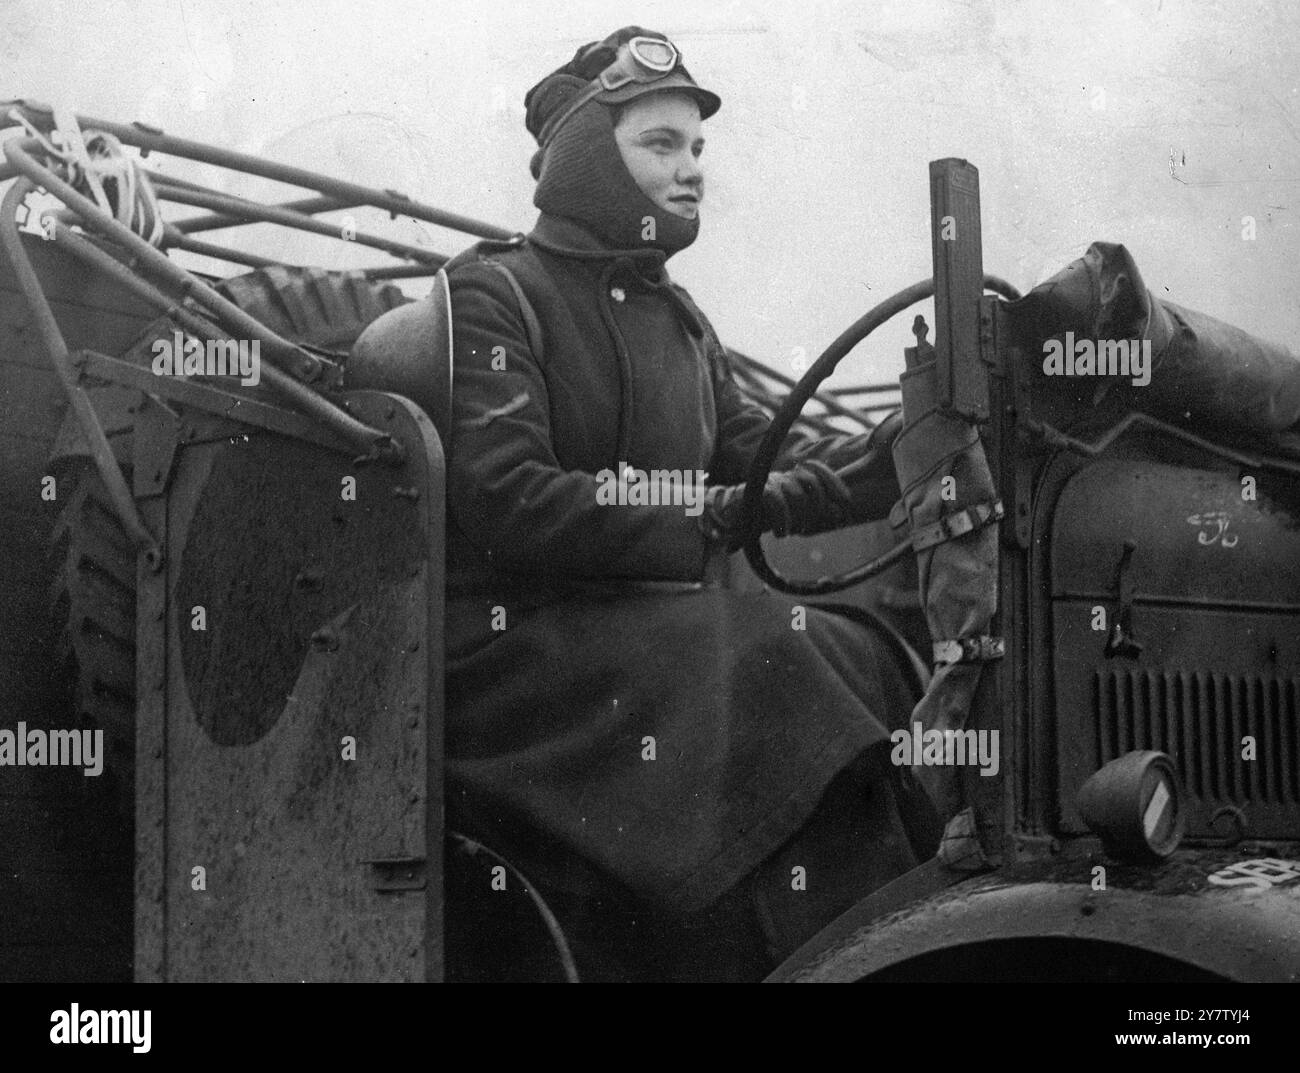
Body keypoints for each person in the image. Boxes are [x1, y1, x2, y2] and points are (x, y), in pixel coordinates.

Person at [441, 26, 938, 982]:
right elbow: (509, 500)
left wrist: (897, 452)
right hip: (515, 654)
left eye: (697, 149)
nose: (692, 171)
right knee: (767, 659)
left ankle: (873, 949)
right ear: (589, 154)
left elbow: (766, 460)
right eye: (660, 146)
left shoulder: (681, 319)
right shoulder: (498, 294)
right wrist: (702, 516)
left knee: (858, 650)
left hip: (644, 635)